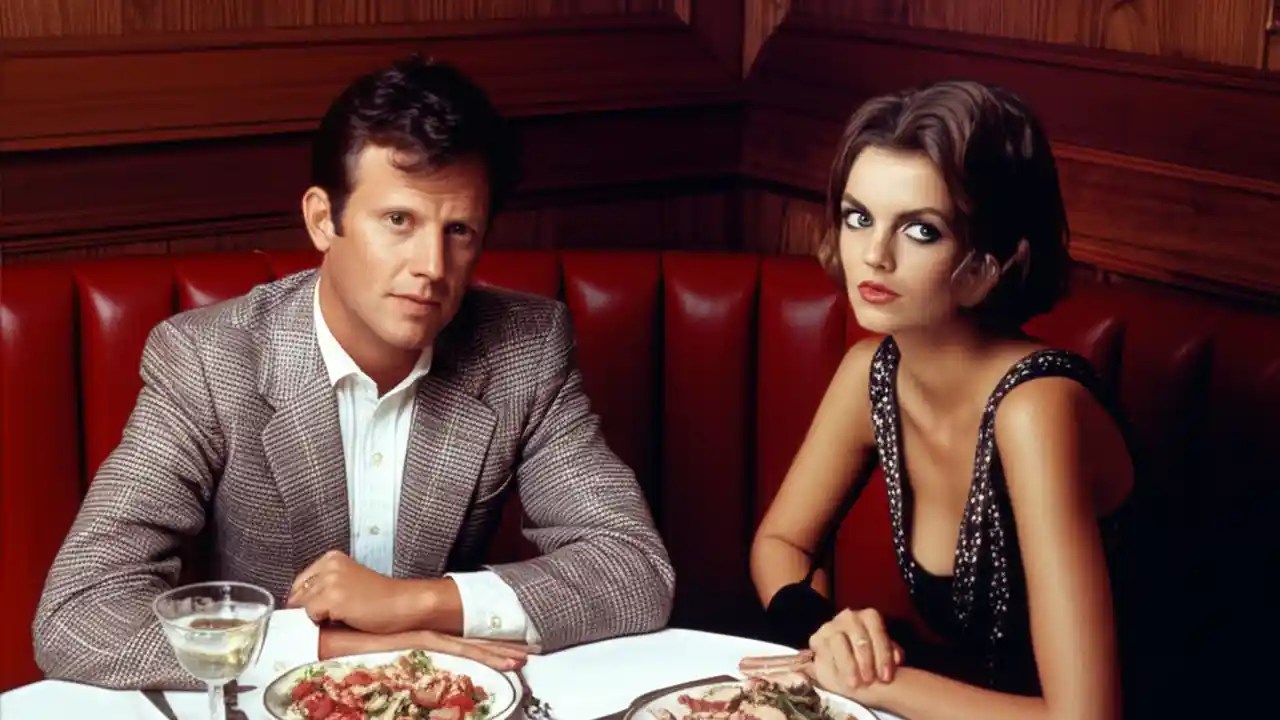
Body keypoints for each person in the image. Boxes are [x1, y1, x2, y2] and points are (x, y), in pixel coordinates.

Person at [33, 56, 674, 690]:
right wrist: (334, 648)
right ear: (322, 219)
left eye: (459, 230)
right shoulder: (211, 358)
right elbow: (77, 614)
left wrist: (412, 603)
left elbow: (635, 570)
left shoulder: (523, 349)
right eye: (399, 220)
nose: (432, 265)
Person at [750, 80, 1135, 719]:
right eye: (858, 217)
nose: (874, 255)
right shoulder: (871, 374)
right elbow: (782, 542)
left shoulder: (1036, 410)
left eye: (921, 230)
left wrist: (869, 683)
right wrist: (826, 632)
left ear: (988, 265)